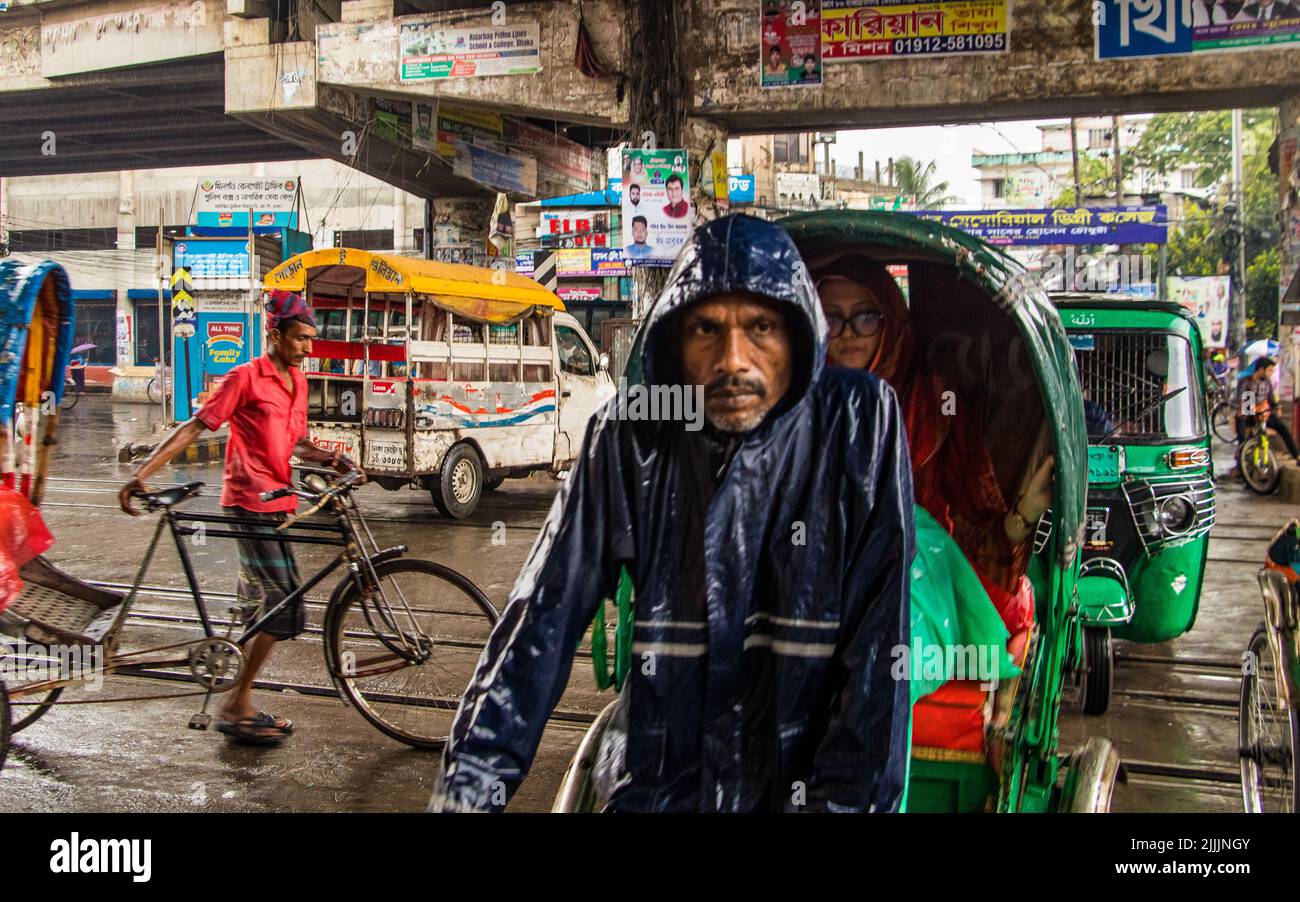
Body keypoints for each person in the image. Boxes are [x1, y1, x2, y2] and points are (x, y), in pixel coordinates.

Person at [429, 215, 912, 813]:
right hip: (658, 787)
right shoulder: (630, 433)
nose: (733, 360)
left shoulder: (860, 423)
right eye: (706, 329)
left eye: (761, 328)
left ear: (796, 336)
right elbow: (537, 627)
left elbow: (878, 668)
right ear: (674, 344)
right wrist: (467, 793)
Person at [118, 290, 364, 745]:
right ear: (275, 335)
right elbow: (196, 427)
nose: (308, 348)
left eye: (311, 339)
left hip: (280, 503)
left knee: (257, 609)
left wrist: (333, 459)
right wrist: (142, 474)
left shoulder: (298, 382)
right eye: (300, 338)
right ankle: (236, 704)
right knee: (285, 606)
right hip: (248, 502)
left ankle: (236, 695)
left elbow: (298, 444)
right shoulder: (245, 377)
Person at [1235, 355, 1299, 459]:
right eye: (1269, 370)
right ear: (1261, 370)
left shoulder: (1267, 382)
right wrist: (1248, 409)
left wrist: (1277, 407)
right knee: (1242, 428)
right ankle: (1242, 454)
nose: (1271, 373)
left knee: (1283, 428)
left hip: (1264, 413)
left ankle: (1297, 456)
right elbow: (1243, 404)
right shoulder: (1246, 382)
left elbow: (1271, 398)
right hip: (1249, 414)